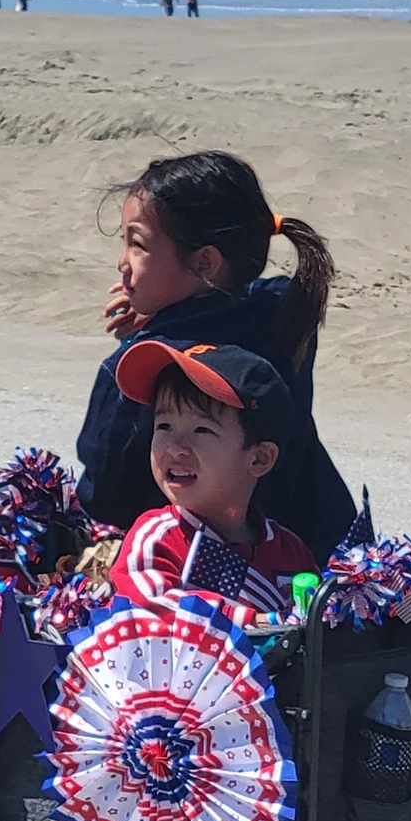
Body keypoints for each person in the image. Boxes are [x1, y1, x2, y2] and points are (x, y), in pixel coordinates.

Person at [76, 150, 356, 566]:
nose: (122, 264)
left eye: (137, 244)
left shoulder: (141, 363)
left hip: (200, 575)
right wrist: (169, 314)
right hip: (317, 548)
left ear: (206, 261)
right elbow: (249, 296)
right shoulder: (285, 311)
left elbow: (103, 497)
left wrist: (150, 335)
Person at [109, 340, 317, 617]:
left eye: (202, 429)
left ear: (259, 459)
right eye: (164, 426)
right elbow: (149, 608)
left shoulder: (290, 552)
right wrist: (251, 621)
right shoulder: (157, 537)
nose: (175, 447)